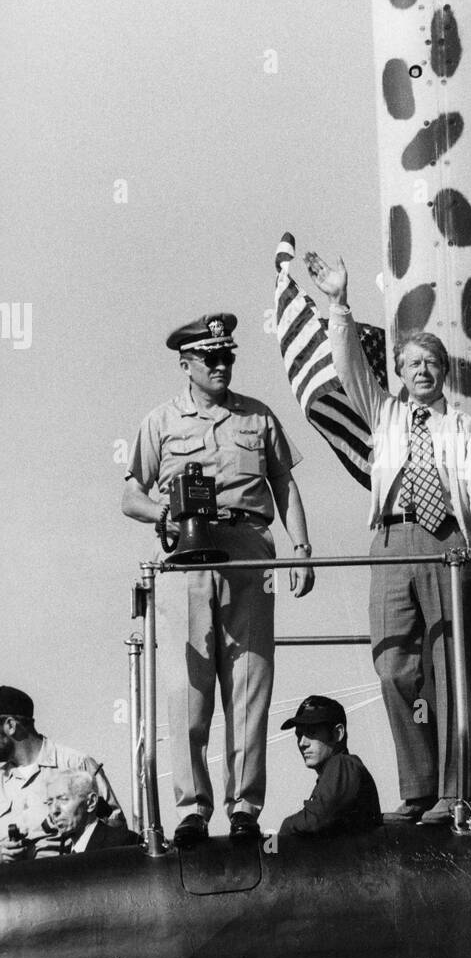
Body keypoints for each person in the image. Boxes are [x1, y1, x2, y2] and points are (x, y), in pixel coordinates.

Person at [307, 254, 471, 825]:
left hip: (445, 543)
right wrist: (338, 303)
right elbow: (346, 367)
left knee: (448, 667)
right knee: (394, 664)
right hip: (391, 540)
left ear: (444, 372)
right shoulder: (385, 415)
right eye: (412, 363)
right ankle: (416, 788)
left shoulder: (465, 428)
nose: (422, 371)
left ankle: (453, 792)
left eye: (431, 363)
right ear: (400, 372)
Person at [122, 312, 315, 847]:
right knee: (189, 692)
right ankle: (192, 809)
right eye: (210, 359)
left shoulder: (258, 417)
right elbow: (129, 495)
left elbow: (285, 484)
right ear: (186, 365)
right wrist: (163, 511)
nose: (221, 365)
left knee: (249, 688)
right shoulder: (161, 422)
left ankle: (246, 807)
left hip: (248, 554)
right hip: (186, 561)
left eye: (227, 356)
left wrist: (300, 549)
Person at [0, 686, 124, 864]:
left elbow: (115, 829)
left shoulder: (76, 764)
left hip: (68, 883)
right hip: (12, 889)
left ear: (11, 726)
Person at [278, 695, 381, 836]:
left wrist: (286, 827)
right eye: (299, 735)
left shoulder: (343, 764)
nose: (302, 743)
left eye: (311, 732)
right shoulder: (335, 771)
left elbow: (316, 818)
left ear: (337, 734)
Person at [32, 770, 140, 857]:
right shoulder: (64, 851)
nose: (54, 811)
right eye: (49, 803)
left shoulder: (124, 844)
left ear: (91, 802)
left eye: (63, 799)